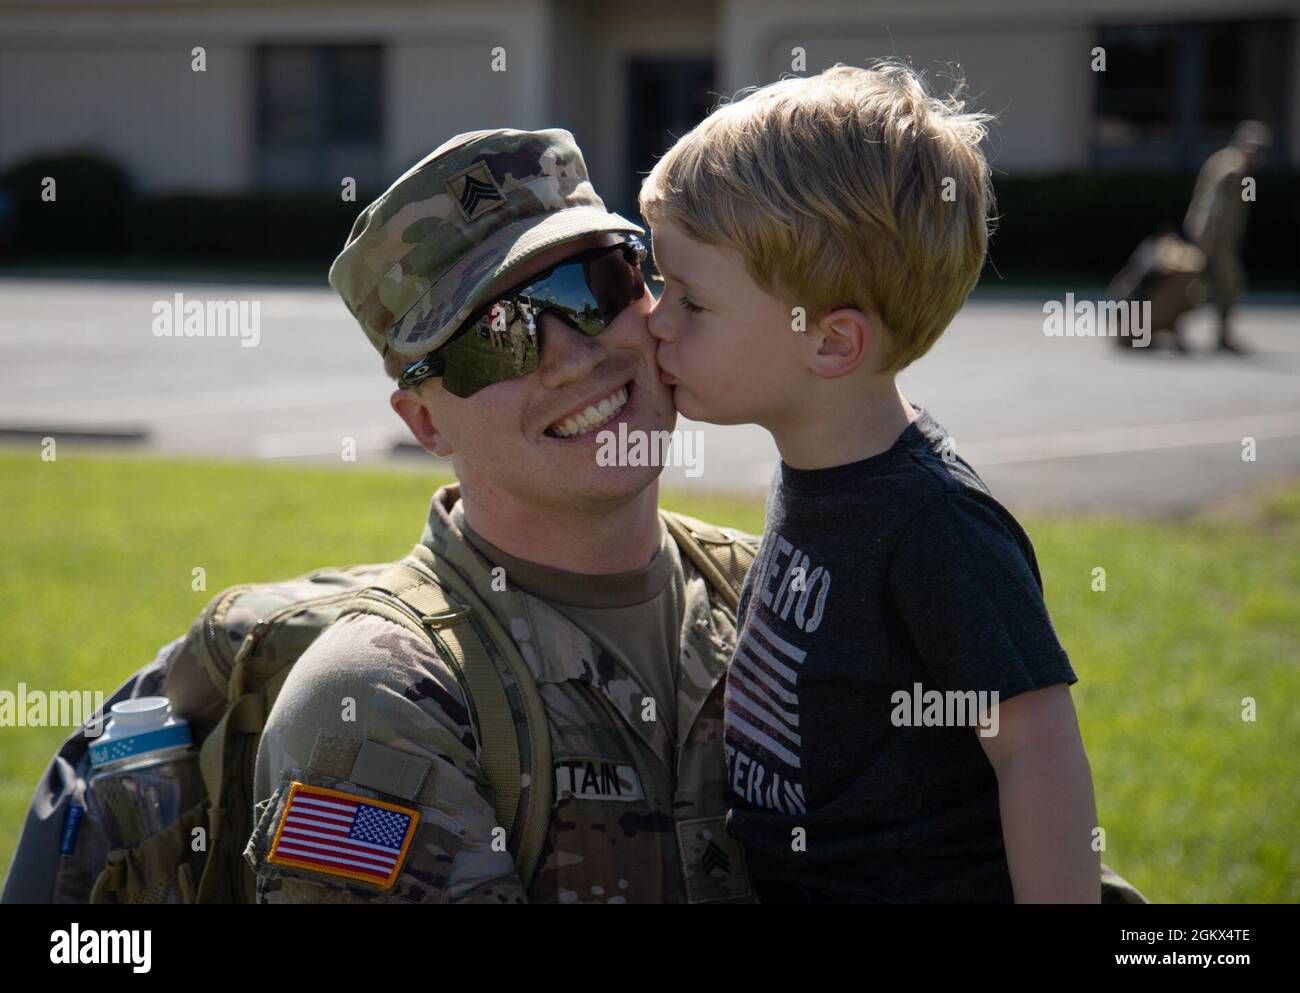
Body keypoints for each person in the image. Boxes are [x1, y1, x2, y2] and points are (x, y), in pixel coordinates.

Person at [243, 128, 757, 904]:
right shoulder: (370, 704)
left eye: (594, 286)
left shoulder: (776, 593)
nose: (572, 357)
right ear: (426, 424)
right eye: (494, 336)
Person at [639, 63, 1106, 902]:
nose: (654, 320)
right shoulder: (820, 468)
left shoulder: (936, 522)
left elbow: (1034, 746)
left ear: (829, 344)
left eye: (690, 300)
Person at [1183, 120, 1271, 353]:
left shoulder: (1232, 164)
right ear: (1244, 144)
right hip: (1215, 241)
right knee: (1227, 285)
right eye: (1256, 148)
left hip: (1215, 239)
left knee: (1212, 287)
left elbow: (1246, 201)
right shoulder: (1234, 167)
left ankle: (1219, 334)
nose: (1259, 154)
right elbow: (1216, 208)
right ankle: (1219, 335)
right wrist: (1209, 243)